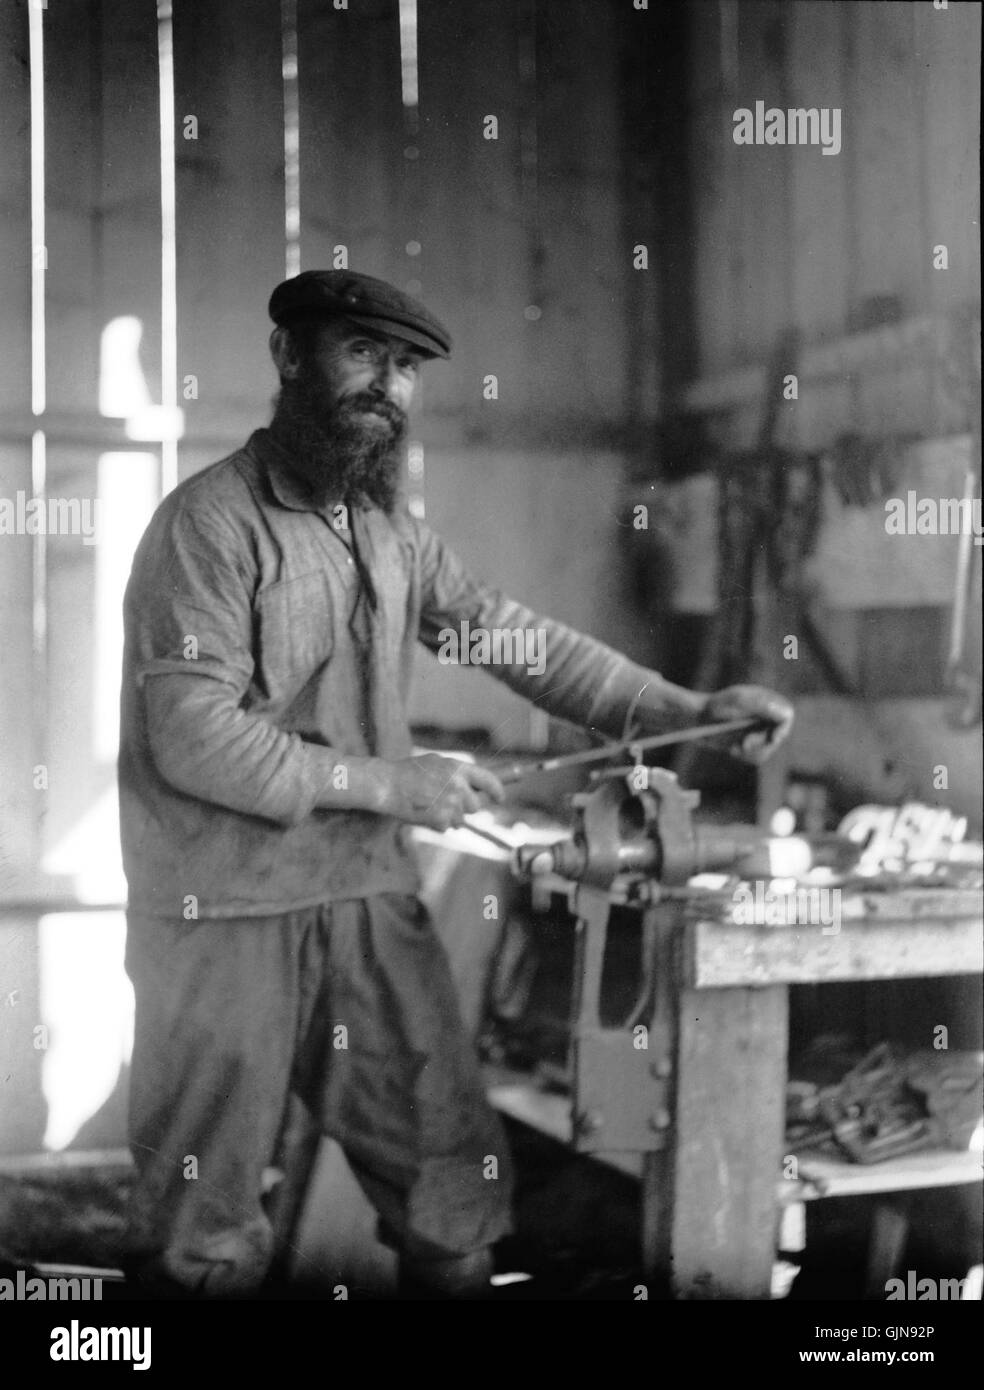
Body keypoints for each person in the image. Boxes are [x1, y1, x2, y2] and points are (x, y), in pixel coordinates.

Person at [118, 269, 793, 1298]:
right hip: (224, 911)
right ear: (289, 357)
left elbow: (518, 639)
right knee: (200, 1236)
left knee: (452, 1190)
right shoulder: (207, 527)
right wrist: (390, 783)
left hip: (367, 899)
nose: (385, 385)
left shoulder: (387, 532)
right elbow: (193, 740)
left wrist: (682, 708)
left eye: (404, 368)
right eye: (360, 354)